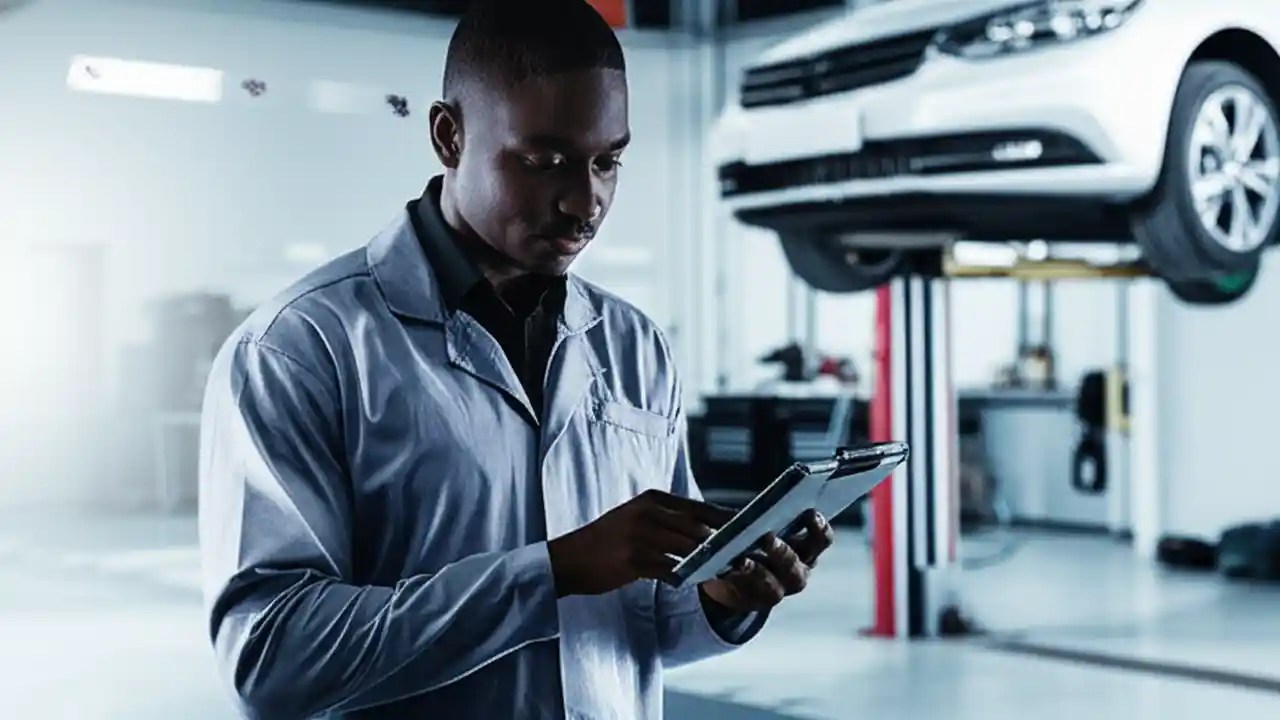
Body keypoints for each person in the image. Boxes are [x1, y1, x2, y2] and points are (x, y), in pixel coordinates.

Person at [197, 1, 835, 717]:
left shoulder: (635, 347)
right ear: (449, 135)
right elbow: (272, 660)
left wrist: (723, 598)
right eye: (545, 162)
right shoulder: (302, 349)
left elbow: (641, 628)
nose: (583, 202)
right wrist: (552, 573)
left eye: (607, 162)